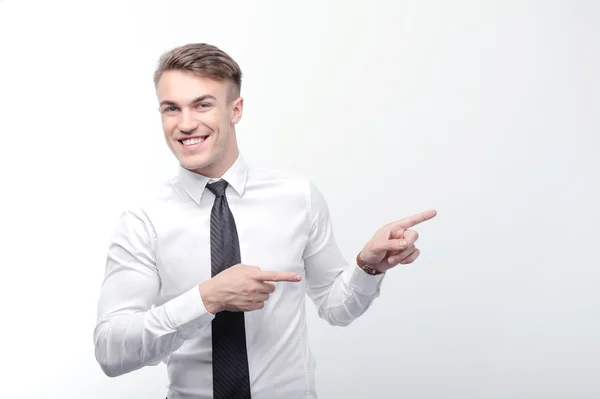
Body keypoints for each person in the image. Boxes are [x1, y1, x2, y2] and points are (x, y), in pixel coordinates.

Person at [93, 43, 437, 399]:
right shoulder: (143, 221)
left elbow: (337, 308)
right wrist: (206, 298)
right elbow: (110, 350)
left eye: (203, 104)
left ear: (235, 109)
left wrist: (367, 267)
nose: (185, 124)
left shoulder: (297, 197)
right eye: (171, 108)